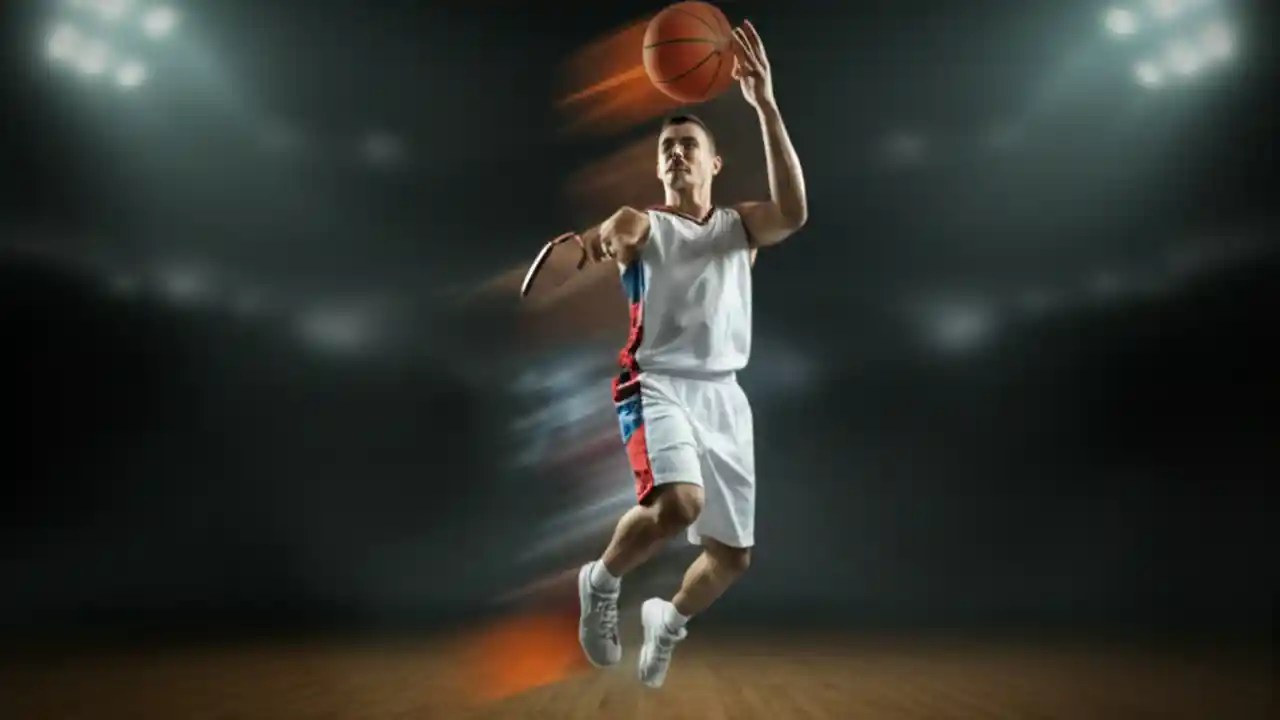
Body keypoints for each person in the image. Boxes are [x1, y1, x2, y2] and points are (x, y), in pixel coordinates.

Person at [569, 20, 807, 688]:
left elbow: (795, 211)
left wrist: (764, 105)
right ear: (659, 167)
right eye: (666, 146)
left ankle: (667, 620)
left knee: (732, 560)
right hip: (657, 383)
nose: (675, 153)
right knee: (680, 505)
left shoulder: (741, 227)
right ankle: (602, 581)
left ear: (712, 163)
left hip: (726, 396)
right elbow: (617, 230)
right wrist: (605, 238)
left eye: (687, 144)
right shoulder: (641, 224)